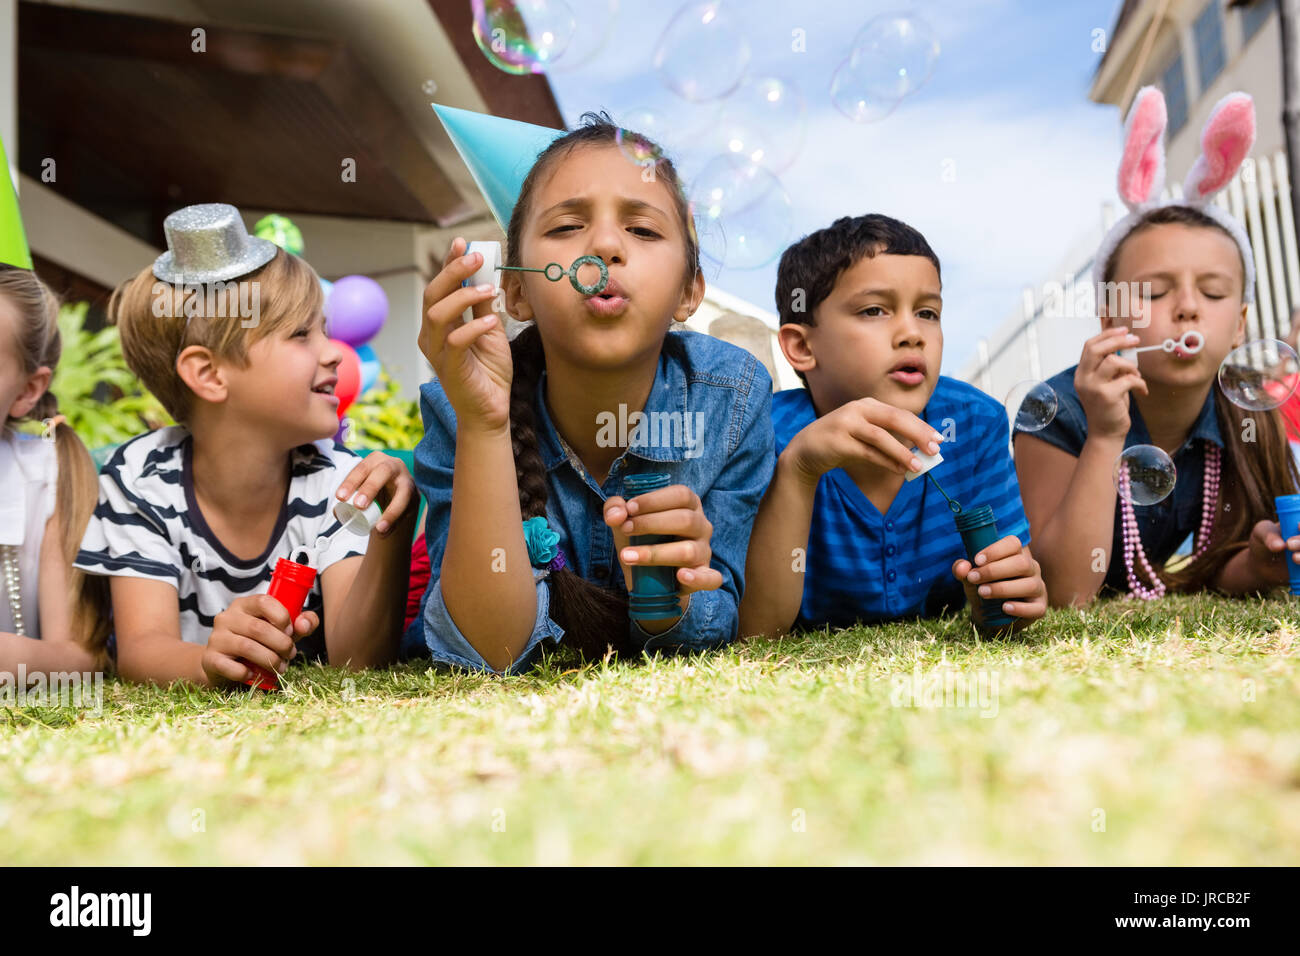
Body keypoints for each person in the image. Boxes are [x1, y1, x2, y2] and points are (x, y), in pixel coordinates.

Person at [406, 112, 773, 673]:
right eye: (565, 227)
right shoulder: (456, 404)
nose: (604, 245)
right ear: (516, 291)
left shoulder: (731, 398)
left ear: (689, 292)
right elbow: (488, 652)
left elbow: (723, 617)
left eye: (643, 230)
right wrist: (484, 423)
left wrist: (666, 604)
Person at [74, 204, 416, 686]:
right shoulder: (138, 480)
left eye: (325, 329)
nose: (334, 354)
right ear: (210, 374)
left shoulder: (337, 478)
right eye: (301, 334)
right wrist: (207, 664)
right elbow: (142, 650)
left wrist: (391, 530)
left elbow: (358, 661)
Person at [1015, 89, 1300, 604]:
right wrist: (1105, 434)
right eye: (1153, 292)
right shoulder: (1055, 410)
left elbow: (1218, 567)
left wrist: (1259, 563)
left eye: (1212, 292)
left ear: (1239, 325)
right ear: (1109, 316)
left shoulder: (1249, 415)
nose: (1188, 308)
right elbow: (1062, 593)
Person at [740, 213, 1046, 637]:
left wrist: (1007, 593)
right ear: (802, 346)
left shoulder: (975, 423)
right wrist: (800, 469)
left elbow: (1009, 588)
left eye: (927, 312)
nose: (912, 333)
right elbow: (756, 633)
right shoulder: (762, 435)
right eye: (874, 310)